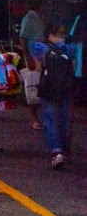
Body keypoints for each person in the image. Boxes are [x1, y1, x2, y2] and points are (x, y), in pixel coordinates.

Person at [37, 21, 73, 170]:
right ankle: (65, 150)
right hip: (66, 90)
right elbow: (73, 68)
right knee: (65, 121)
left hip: (48, 90)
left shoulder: (40, 47)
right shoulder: (68, 47)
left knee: (51, 121)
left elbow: (38, 68)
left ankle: (56, 152)